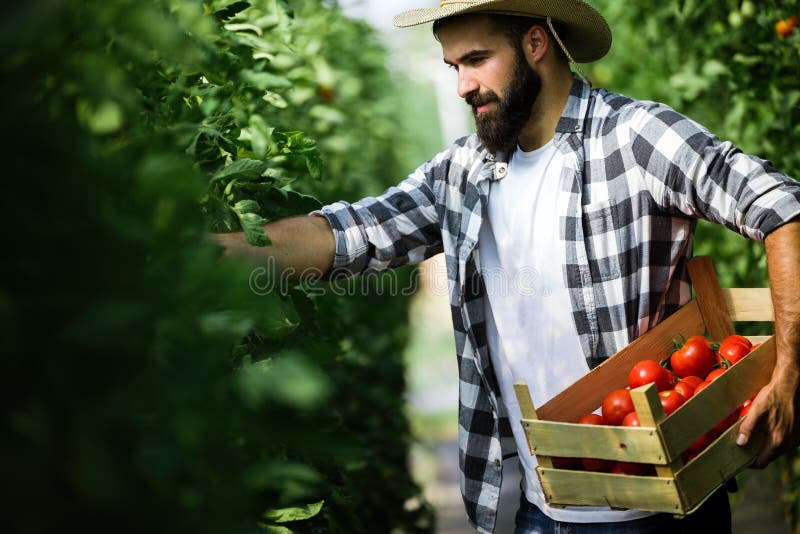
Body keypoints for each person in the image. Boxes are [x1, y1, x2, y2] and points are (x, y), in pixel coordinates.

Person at [216, 1, 800, 532]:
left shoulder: (633, 137)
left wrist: (791, 372)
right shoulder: (465, 173)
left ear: (536, 43)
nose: (464, 86)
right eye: (453, 67)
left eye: (476, 59)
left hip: (656, 506)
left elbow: (783, 207)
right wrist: (218, 251)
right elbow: (348, 236)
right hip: (536, 508)